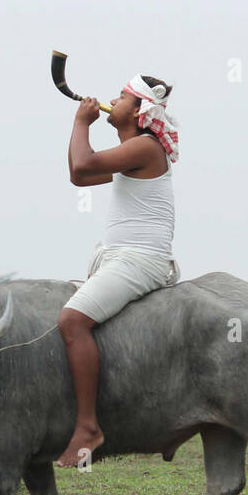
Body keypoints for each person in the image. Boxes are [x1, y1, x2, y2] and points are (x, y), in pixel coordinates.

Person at [55, 73, 181, 468]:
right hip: (119, 257)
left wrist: (80, 123)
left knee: (72, 321)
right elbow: (80, 174)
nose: (112, 100)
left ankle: (89, 427)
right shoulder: (133, 151)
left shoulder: (145, 146)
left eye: (121, 97)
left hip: (140, 259)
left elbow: (83, 162)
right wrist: (81, 127)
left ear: (139, 110)